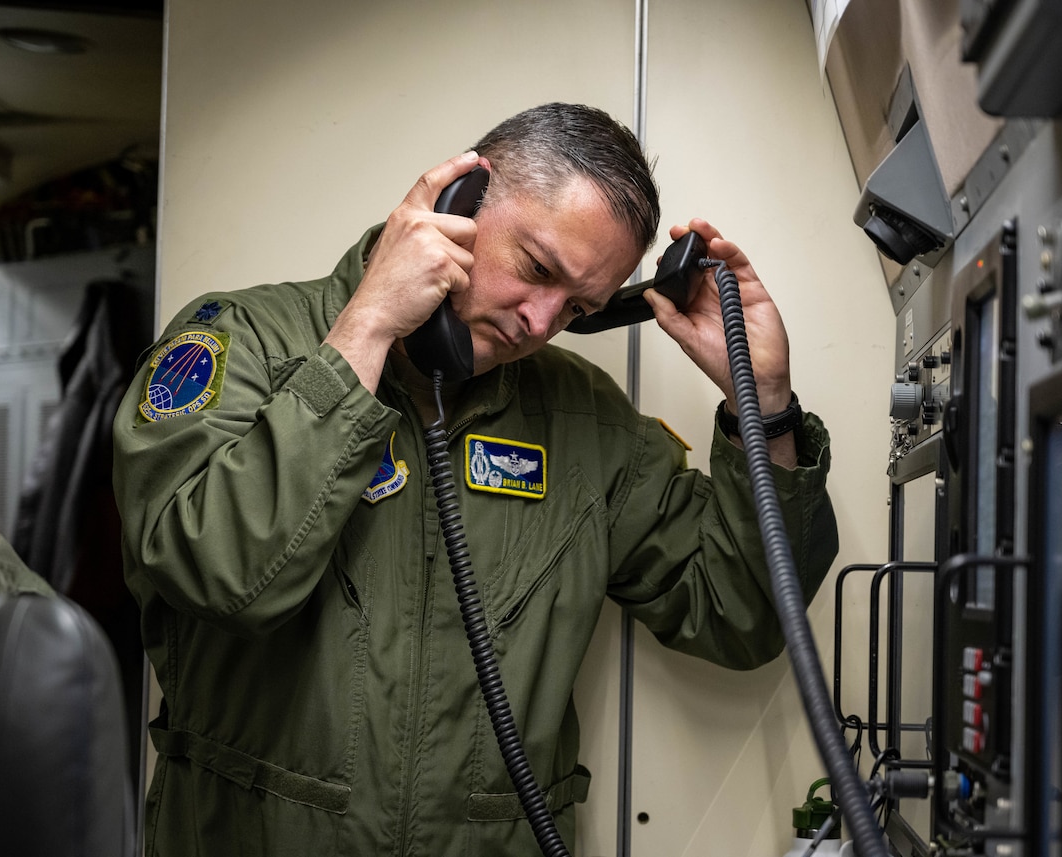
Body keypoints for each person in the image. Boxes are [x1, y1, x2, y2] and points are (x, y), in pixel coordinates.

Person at [112, 102, 839, 856]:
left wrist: (766, 404)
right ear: (459, 200)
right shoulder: (244, 344)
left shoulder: (586, 421)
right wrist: (366, 330)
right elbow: (216, 574)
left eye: (577, 307)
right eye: (538, 269)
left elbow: (743, 613)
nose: (540, 323)